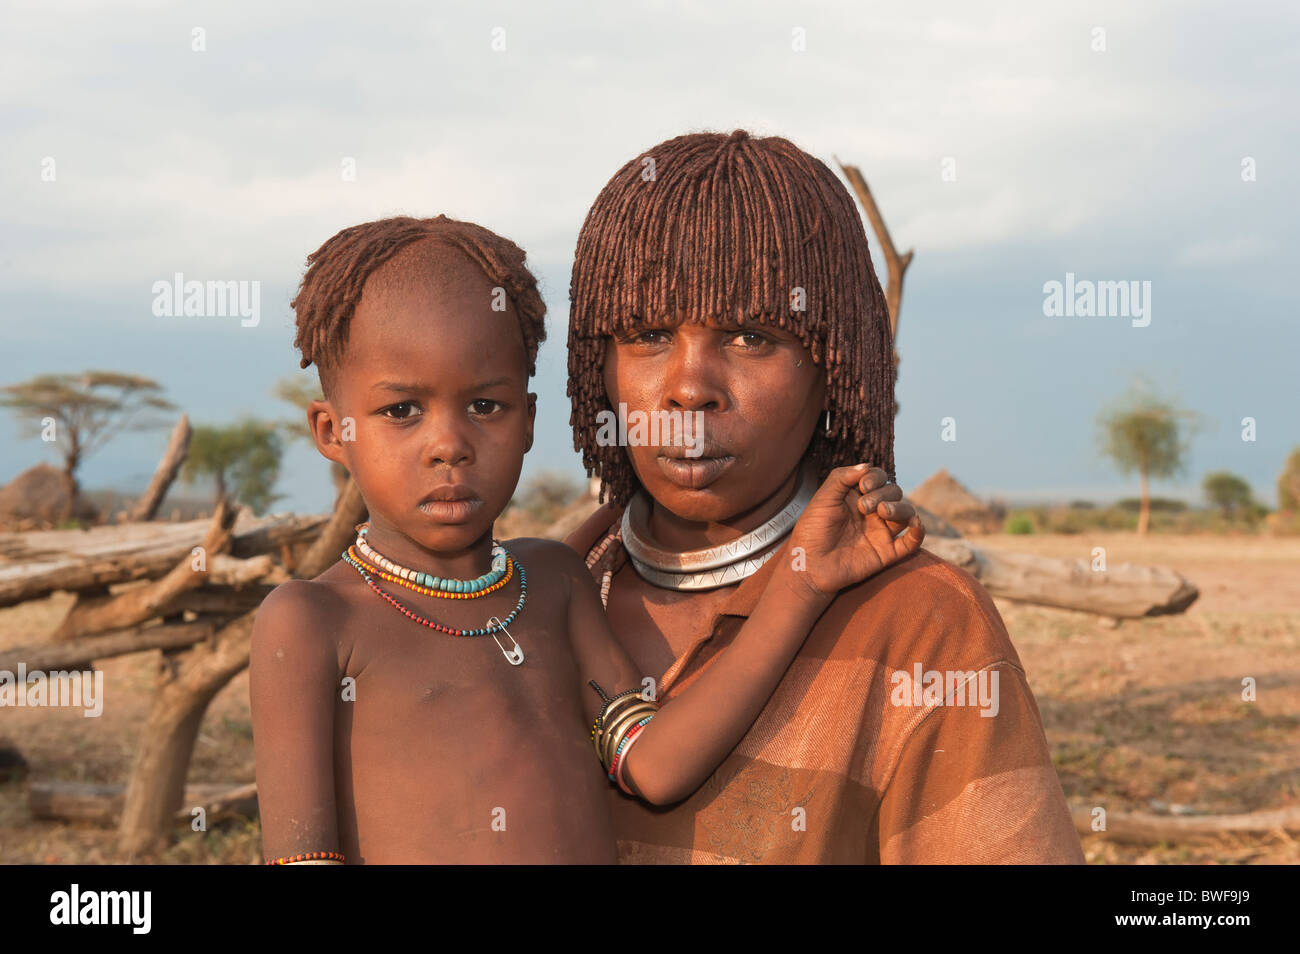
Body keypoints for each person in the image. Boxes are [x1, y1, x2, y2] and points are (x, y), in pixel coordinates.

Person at [249, 214, 924, 864]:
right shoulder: (311, 622)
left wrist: (801, 583)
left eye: (486, 405)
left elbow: (656, 768)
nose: (449, 445)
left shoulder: (553, 582)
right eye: (401, 411)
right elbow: (302, 854)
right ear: (333, 431)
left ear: (530, 420)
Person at [564, 129, 1085, 863]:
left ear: (833, 370)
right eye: (647, 333)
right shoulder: (520, 601)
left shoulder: (922, 629)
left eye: (750, 337)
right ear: (598, 365)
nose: (689, 387)